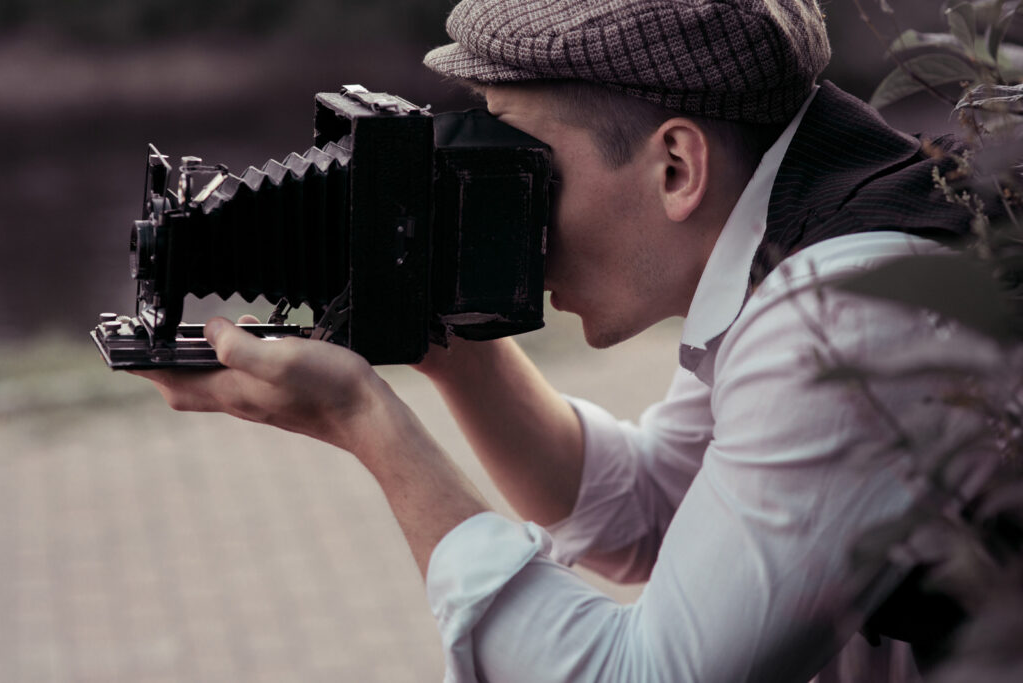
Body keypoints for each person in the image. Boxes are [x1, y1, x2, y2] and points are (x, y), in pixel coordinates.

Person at [136, 1, 982, 680]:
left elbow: (641, 672)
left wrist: (368, 422)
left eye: (527, 169)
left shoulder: (844, 315)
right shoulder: (794, 231)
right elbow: (648, 511)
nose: (509, 214)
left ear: (676, 168)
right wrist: (448, 343)